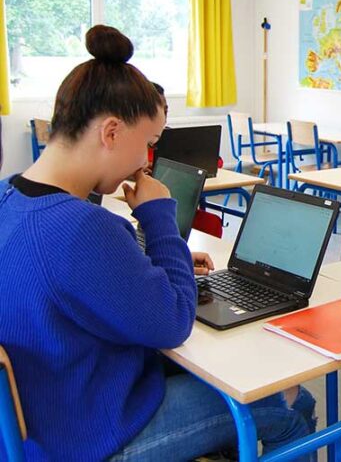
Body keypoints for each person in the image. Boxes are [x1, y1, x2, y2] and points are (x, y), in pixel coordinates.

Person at [0, 25, 316, 460]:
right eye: (148, 144)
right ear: (110, 133)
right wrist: (158, 215)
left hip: (41, 421)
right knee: (290, 398)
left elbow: (72, 274)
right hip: (89, 435)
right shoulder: (81, 229)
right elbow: (173, 321)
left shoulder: (9, 196)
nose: (147, 162)